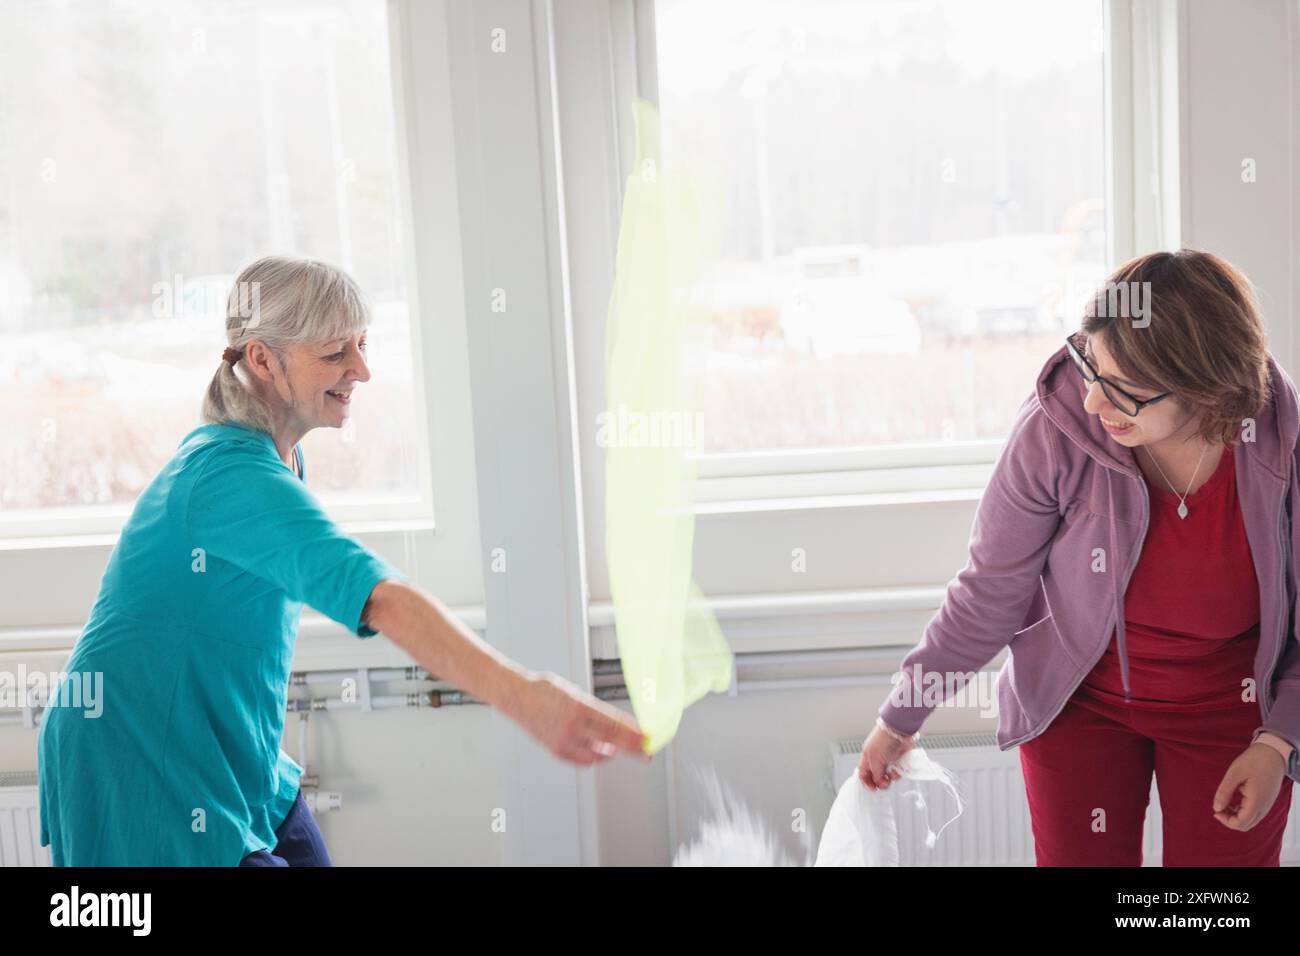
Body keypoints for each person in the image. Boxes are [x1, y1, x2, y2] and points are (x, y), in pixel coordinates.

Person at [36, 255, 647, 866]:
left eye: (361, 344)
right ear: (263, 360)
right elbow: (377, 595)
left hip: (227, 744)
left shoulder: (278, 455)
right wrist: (525, 696)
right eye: (335, 354)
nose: (362, 369)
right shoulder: (230, 475)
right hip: (134, 748)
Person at [859, 248, 1299, 866]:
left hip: (1232, 712)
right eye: (1090, 367)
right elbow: (991, 589)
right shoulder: (1057, 424)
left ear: (1208, 389)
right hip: (1080, 701)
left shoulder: (1280, 443)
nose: (1094, 403)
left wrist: (1278, 742)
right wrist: (902, 717)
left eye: (1123, 391)